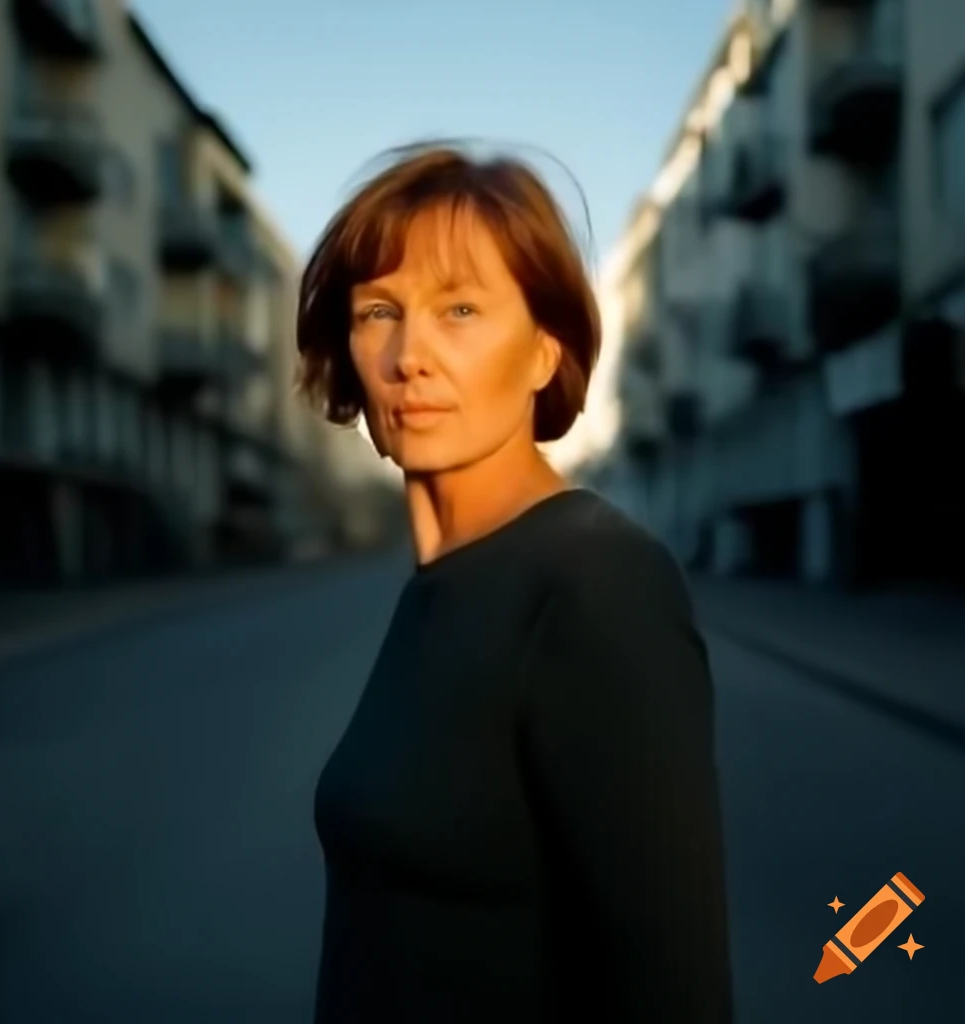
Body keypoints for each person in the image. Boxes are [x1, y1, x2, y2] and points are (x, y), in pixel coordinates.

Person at [298, 142, 733, 1023]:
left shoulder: (597, 582)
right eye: (379, 311)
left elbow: (673, 991)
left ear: (543, 351)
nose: (410, 355)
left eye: (460, 309)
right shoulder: (441, 585)